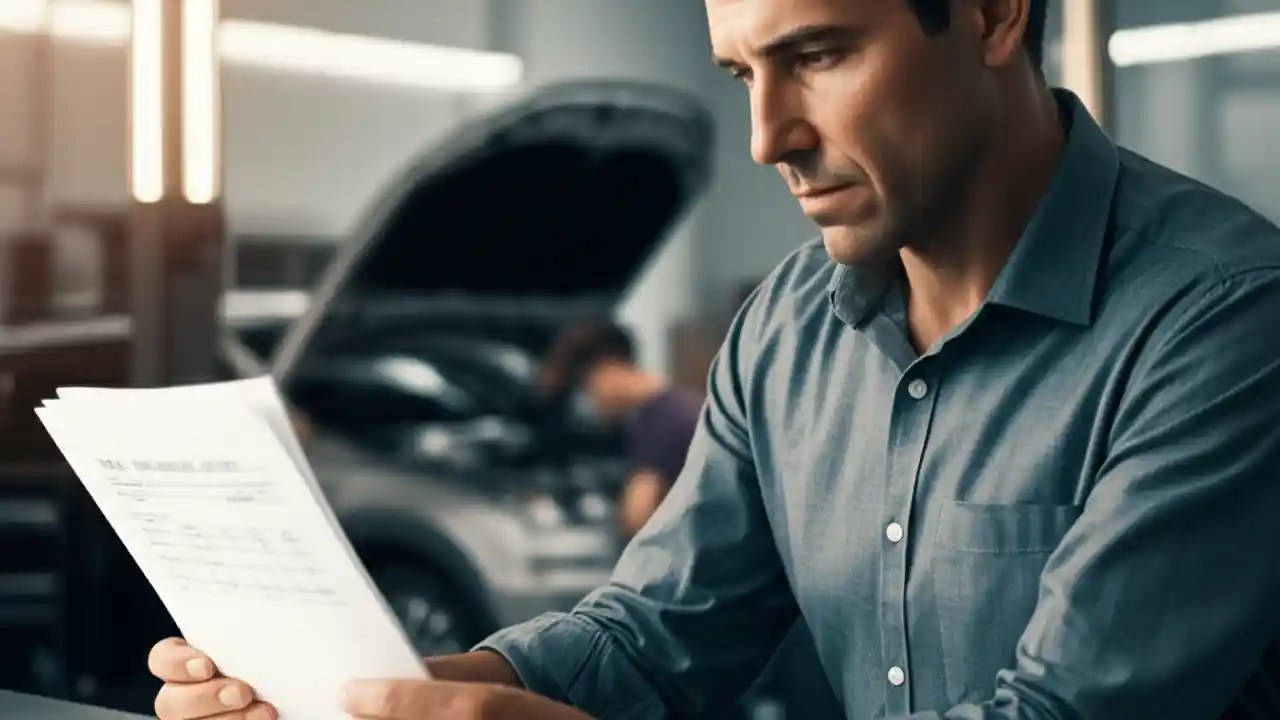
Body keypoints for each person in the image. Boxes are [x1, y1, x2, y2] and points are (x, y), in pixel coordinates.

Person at [148, 0, 1280, 718]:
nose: (765, 138)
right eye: (743, 74)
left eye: (817, 54)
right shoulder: (785, 328)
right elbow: (653, 638)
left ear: (989, 15)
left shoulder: (1222, 318)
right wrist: (399, 697)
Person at [540, 319, 703, 539]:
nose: (589, 401)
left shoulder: (663, 418)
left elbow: (637, 515)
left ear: (606, 371)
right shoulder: (676, 406)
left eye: (584, 387)